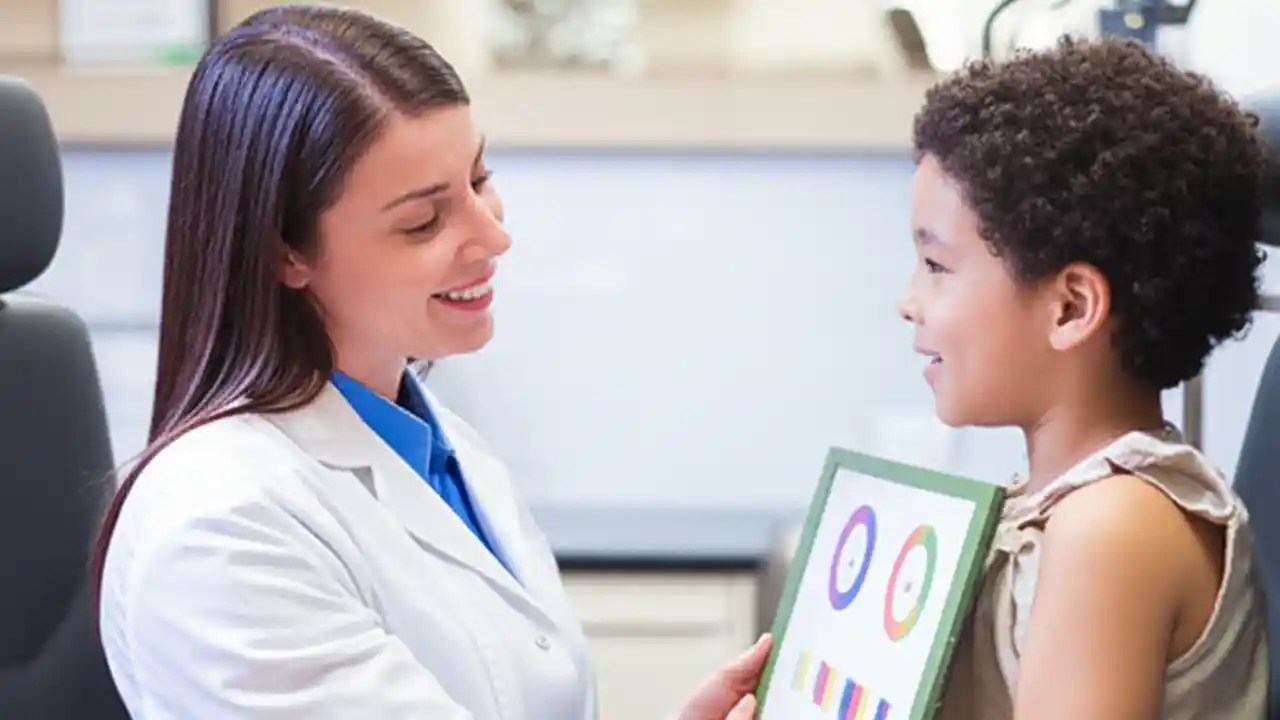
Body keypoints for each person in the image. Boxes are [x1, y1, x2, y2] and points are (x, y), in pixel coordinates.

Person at [91, 6, 770, 718]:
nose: (493, 236)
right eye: (423, 221)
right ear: (284, 250)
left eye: (479, 180)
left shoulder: (436, 443)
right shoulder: (222, 528)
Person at [898, 37, 1269, 719]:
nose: (908, 301)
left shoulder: (1111, 528)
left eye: (937, 266)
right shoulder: (1051, 514)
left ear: (1071, 307)